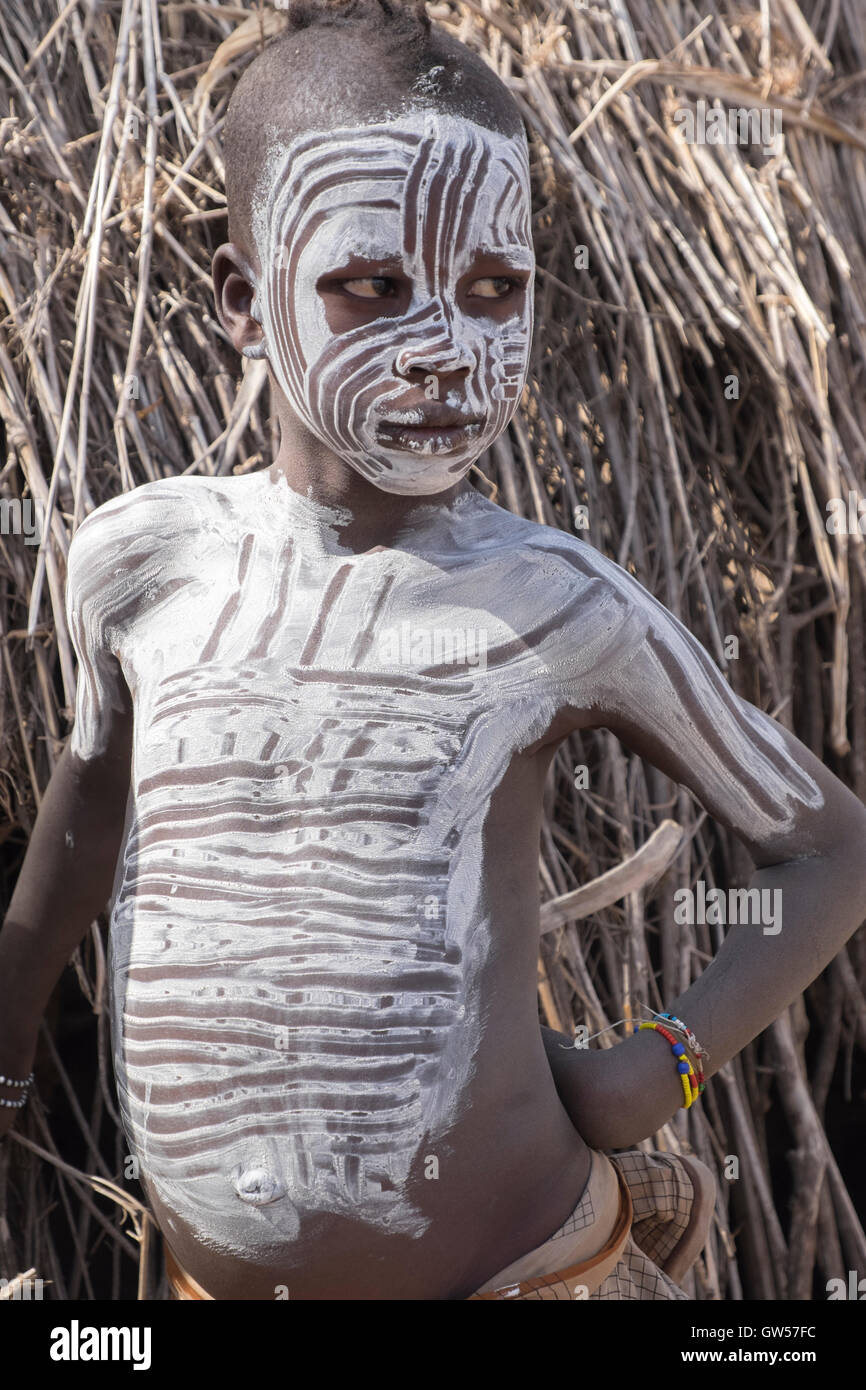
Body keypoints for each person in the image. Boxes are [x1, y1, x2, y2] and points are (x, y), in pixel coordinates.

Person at [2, 0, 865, 1301]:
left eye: (492, 291)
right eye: (369, 287)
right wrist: (10, 1029)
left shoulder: (552, 603)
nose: (446, 349)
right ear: (243, 301)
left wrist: (653, 1071)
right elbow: (90, 816)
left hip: (521, 1276)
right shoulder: (141, 563)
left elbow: (830, 845)